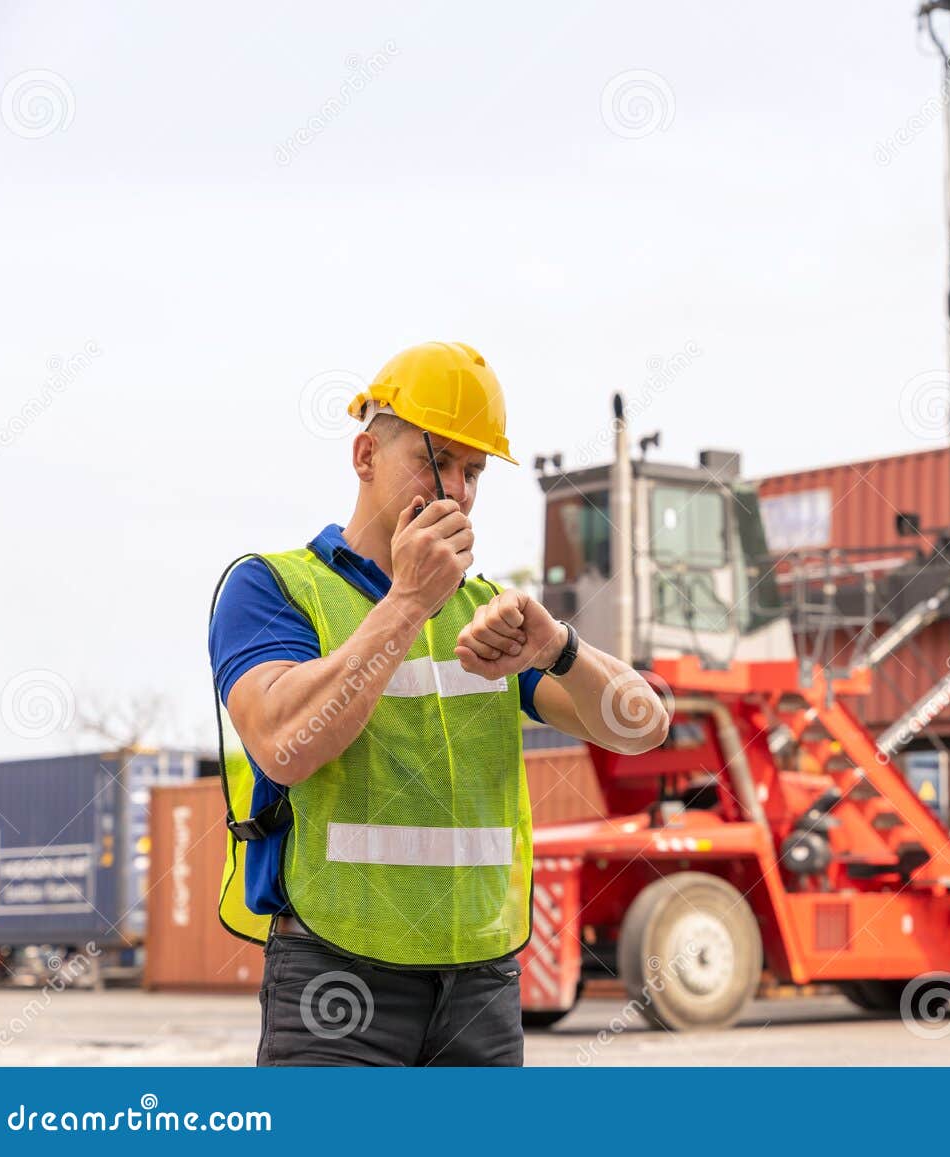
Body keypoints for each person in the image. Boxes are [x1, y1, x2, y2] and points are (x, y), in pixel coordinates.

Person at [208, 341, 669, 1066]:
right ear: (365, 455)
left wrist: (559, 650)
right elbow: (286, 745)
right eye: (438, 460)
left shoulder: (487, 613)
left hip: (479, 990)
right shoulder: (272, 588)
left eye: (474, 471)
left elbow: (644, 729)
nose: (457, 489)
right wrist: (408, 603)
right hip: (336, 983)